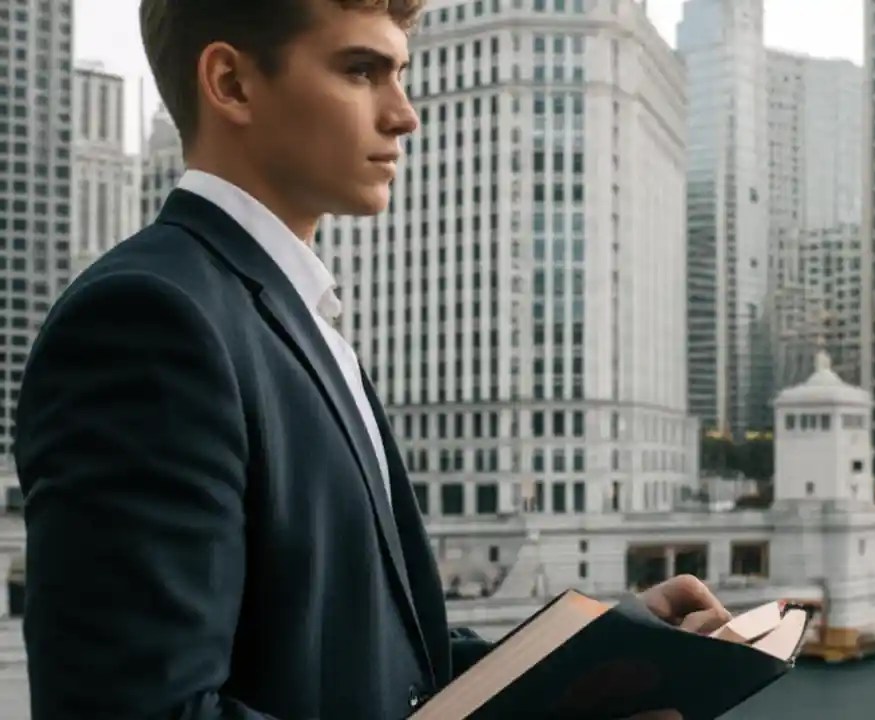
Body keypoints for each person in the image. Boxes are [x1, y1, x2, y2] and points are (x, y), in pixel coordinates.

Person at [13, 1, 730, 718]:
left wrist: (599, 657)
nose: (405, 115)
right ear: (231, 83)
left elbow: (381, 670)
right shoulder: (150, 321)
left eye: (401, 74)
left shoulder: (293, 316)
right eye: (361, 71)